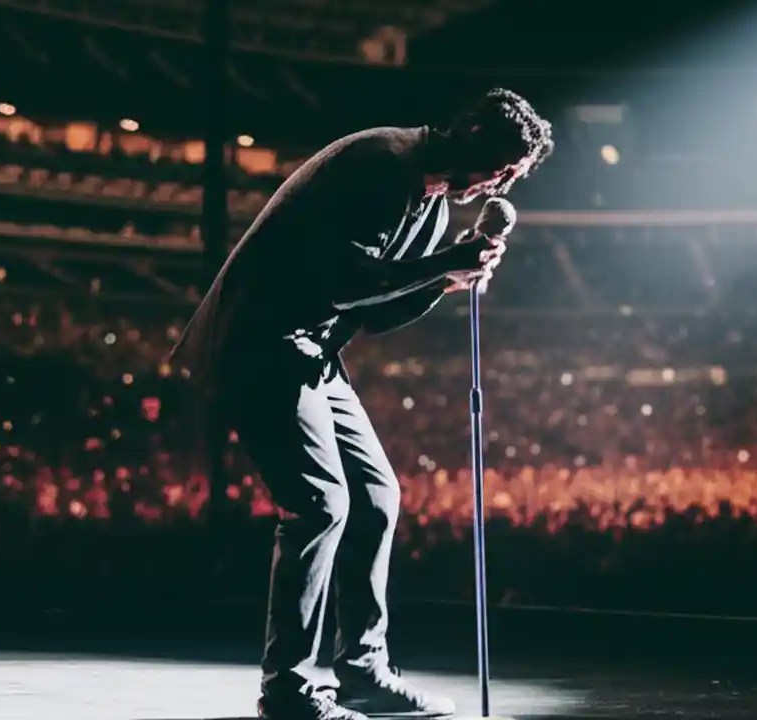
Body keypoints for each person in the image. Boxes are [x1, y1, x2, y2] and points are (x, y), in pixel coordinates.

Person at [169, 88, 554, 720]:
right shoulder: (380, 163)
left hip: (313, 354)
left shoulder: (430, 206)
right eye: (503, 166)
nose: (498, 185)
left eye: (510, 177)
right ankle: (289, 689)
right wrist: (445, 262)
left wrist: (449, 276)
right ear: (475, 136)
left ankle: (364, 672)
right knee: (319, 504)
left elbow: (378, 314)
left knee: (377, 496)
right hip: (260, 342)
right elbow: (344, 283)